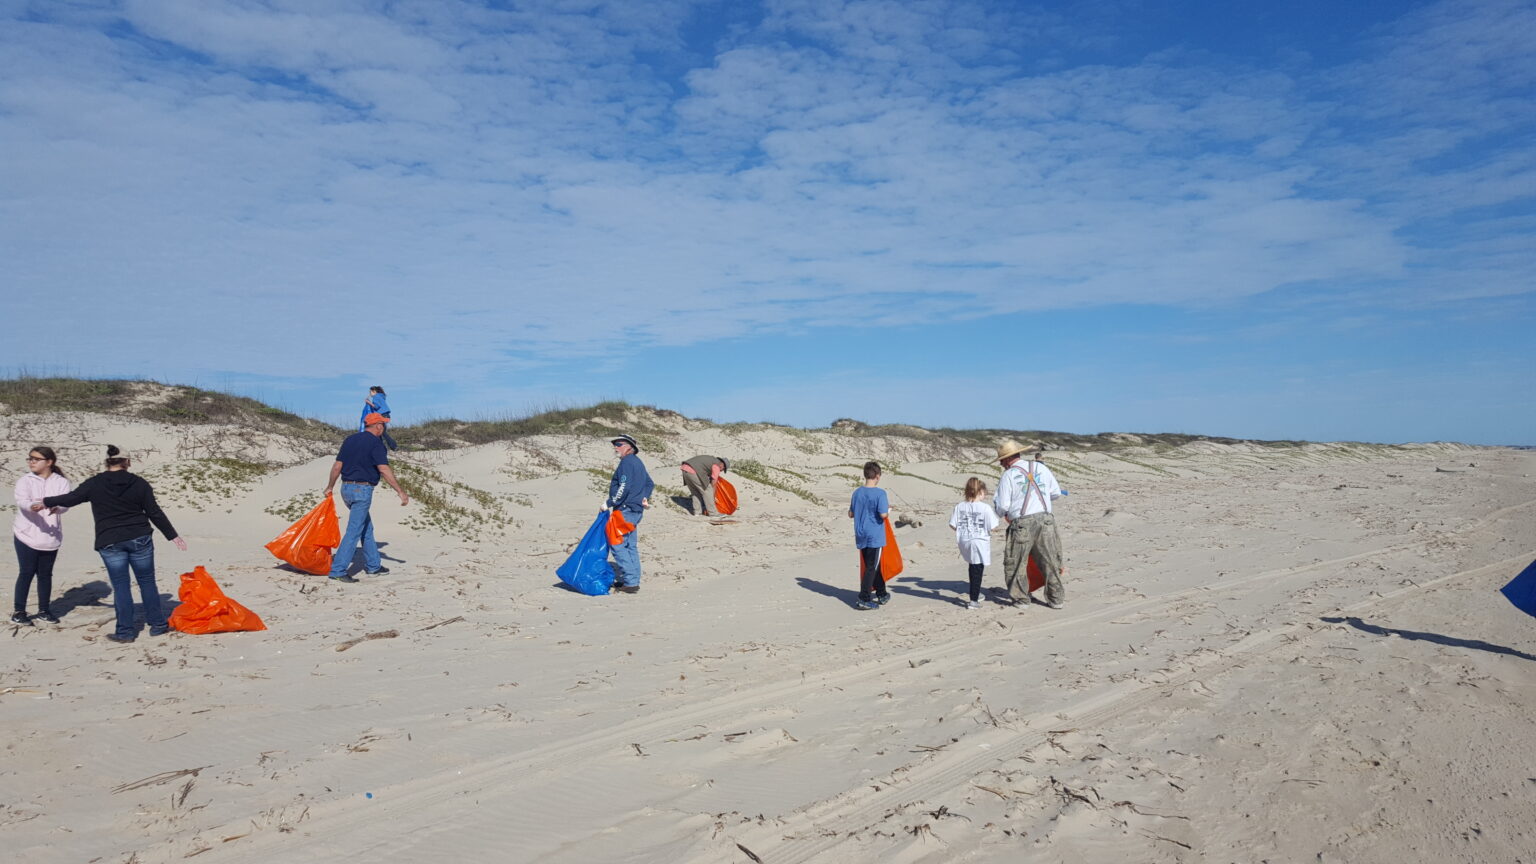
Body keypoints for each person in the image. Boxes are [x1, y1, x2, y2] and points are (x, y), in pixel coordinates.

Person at [35, 445, 186, 643]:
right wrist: (172, 535)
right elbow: (154, 512)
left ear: (107, 462)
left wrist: (46, 501)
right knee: (147, 581)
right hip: (139, 537)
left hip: (110, 541)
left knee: (121, 586)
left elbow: (72, 498)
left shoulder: (95, 483)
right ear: (127, 462)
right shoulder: (139, 483)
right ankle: (157, 625)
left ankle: (125, 632)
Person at [323, 412, 409, 583]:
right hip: (361, 490)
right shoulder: (376, 444)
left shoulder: (350, 439)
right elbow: (384, 469)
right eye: (383, 425)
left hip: (345, 488)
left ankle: (373, 565)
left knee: (366, 528)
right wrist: (400, 491)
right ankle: (338, 570)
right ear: (378, 426)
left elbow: (337, 466)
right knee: (354, 531)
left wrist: (330, 486)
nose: (384, 428)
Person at [993, 440, 1065, 609]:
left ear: (1008, 459)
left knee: (1016, 562)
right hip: (1046, 520)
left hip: (1021, 524)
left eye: (1001, 460)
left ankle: (1021, 599)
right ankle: (1056, 599)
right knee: (1050, 560)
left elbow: (1002, 505)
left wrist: (998, 512)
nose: (1001, 463)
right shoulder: (1041, 468)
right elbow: (1055, 493)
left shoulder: (1008, 475)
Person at [13, 447, 72, 625]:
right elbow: (22, 501)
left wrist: (58, 507)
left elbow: (66, 503)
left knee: (45, 574)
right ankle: (19, 611)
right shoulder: (25, 480)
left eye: (36, 459)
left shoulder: (61, 481)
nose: (31, 462)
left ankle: (44, 610)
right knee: (26, 572)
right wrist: (32, 506)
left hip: (50, 536)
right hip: (26, 534)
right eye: (30, 458)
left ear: (49, 462)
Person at [605, 434, 653, 593]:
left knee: (617, 544)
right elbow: (649, 483)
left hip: (625, 509)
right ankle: (633, 580)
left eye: (619, 444)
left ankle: (631, 582)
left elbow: (624, 486)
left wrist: (609, 502)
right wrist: (644, 497)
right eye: (615, 444)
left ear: (629, 447)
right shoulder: (638, 463)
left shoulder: (627, 462)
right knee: (630, 545)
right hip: (635, 510)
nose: (616, 447)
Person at [950, 476, 1000, 610]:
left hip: (964, 541)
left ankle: (975, 593)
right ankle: (973, 600)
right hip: (979, 542)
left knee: (973, 567)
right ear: (980, 492)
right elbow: (993, 526)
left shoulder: (960, 506)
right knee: (977, 570)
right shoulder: (985, 508)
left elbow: (953, 525)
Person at [848, 460, 891, 610]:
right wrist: (888, 511)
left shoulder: (857, 492)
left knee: (872, 565)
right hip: (874, 535)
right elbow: (883, 514)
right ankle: (864, 597)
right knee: (871, 567)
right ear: (878, 476)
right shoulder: (880, 493)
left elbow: (850, 513)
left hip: (861, 534)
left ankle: (882, 593)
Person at [360, 386, 398, 452]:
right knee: (379, 432)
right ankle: (381, 448)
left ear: (374, 391)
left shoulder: (376, 397)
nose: (370, 394)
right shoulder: (381, 396)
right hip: (386, 415)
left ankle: (393, 446)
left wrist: (369, 402)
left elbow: (376, 406)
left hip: (382, 416)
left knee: (382, 432)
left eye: (370, 392)